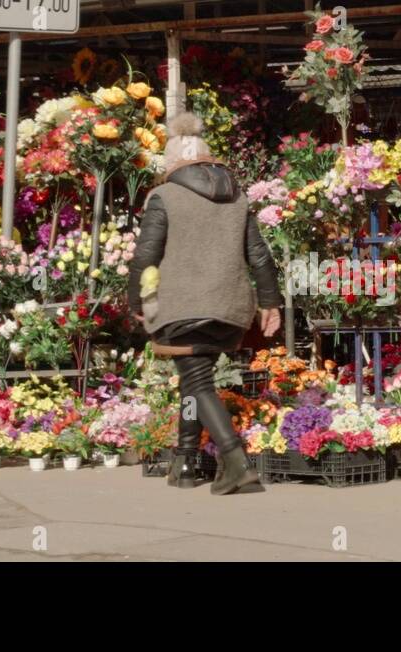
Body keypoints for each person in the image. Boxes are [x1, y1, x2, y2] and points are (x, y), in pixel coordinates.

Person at [128, 112, 283, 495]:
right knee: (194, 381)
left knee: (197, 380)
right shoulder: (239, 198)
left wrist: (137, 301)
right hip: (230, 308)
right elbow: (260, 256)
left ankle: (236, 462)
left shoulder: (164, 196)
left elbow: (145, 256)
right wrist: (269, 304)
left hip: (182, 306)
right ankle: (184, 462)